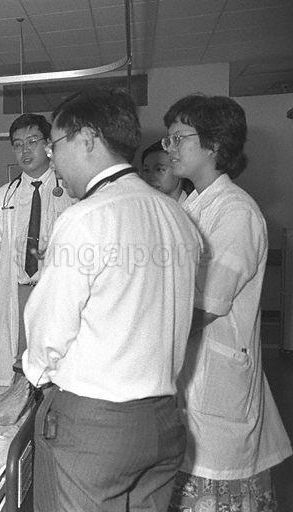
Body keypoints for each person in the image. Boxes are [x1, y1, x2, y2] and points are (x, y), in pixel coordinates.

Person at [21, 89, 202, 511]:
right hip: (162, 421)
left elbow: (49, 329)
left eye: (54, 145)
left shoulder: (86, 218)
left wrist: (36, 376)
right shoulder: (177, 216)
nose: (52, 159)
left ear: (87, 139)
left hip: (95, 428)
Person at [163, 94, 292, 511]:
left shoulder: (236, 211)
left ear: (214, 145)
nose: (170, 148)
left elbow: (208, 304)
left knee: (216, 486)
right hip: (189, 369)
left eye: (178, 138)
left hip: (216, 373)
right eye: (169, 139)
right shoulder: (192, 204)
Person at [0, 113, 75, 386]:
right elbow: (3, 245)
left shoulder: (71, 188)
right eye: (17, 144)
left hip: (56, 287)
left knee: (55, 359)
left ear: (49, 145)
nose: (25, 150)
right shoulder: (4, 195)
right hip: (19, 288)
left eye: (32, 141)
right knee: (17, 356)